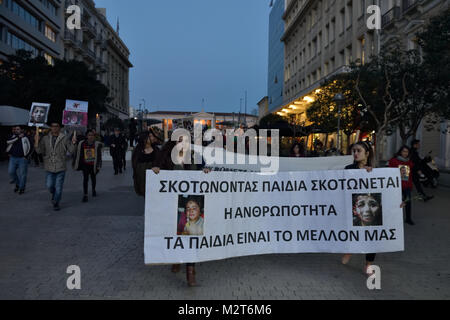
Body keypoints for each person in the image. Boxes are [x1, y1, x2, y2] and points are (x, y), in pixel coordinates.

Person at [152, 134, 210, 287]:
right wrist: (156, 170)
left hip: (191, 203)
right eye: (179, 140)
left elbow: (205, 167)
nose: (182, 143)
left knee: (192, 235)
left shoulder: (195, 155)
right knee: (176, 235)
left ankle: (190, 272)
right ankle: (177, 260)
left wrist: (205, 170)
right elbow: (158, 174)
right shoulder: (165, 156)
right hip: (172, 204)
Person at [341, 141, 376, 275]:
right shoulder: (349, 168)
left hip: (370, 208)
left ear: (367, 153)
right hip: (353, 207)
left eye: (358, 151)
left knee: (372, 236)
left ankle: (368, 264)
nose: (355, 153)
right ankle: (349, 250)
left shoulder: (376, 169)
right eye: (354, 151)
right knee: (353, 231)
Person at [34, 122, 77, 211]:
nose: (54, 128)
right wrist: (36, 142)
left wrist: (73, 142)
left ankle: (56, 202)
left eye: (56, 126)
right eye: (52, 126)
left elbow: (71, 151)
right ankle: (54, 194)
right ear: (50, 128)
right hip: (49, 166)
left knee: (59, 187)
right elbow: (39, 151)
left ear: (59, 128)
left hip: (60, 166)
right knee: (49, 185)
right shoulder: (45, 138)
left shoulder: (64, 138)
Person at [73, 130, 103, 202]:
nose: (91, 136)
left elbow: (99, 156)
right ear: (87, 136)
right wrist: (74, 143)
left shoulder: (96, 144)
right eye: (89, 135)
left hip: (93, 165)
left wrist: (99, 165)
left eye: (92, 135)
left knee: (93, 178)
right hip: (85, 164)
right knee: (85, 179)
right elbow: (76, 151)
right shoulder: (82, 143)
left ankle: (93, 189)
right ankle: (85, 194)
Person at [389, 146, 416, 225]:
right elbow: (389, 172)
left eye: (407, 152)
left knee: (408, 201)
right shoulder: (393, 161)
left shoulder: (409, 162)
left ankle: (408, 218)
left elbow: (410, 176)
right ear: (400, 152)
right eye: (404, 151)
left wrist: (410, 186)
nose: (405, 153)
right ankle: (393, 218)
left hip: (406, 185)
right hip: (396, 185)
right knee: (395, 202)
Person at [131, 130, 160, 197]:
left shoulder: (156, 150)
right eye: (150, 136)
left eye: (152, 136)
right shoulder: (137, 151)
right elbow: (135, 165)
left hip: (154, 181)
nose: (153, 138)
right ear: (144, 138)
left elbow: (160, 163)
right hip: (142, 181)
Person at [6, 126, 32, 194]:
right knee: (11, 172)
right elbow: (8, 142)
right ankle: (17, 184)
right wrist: (18, 137)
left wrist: (26, 156)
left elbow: (31, 147)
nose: (16, 130)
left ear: (22, 130)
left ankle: (21, 188)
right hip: (13, 158)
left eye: (18, 129)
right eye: (15, 129)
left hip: (22, 159)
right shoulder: (13, 136)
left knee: (23, 174)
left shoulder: (26, 137)